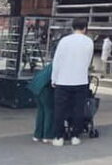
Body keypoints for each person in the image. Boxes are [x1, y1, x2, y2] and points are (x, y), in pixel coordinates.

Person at [51, 18, 94, 147]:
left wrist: (54, 78)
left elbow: (57, 61)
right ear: (85, 28)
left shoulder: (64, 41)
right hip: (80, 80)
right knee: (78, 109)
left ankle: (59, 137)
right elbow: (88, 61)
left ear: (72, 27)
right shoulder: (89, 42)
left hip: (63, 80)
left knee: (60, 109)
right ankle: (75, 136)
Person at [28, 62, 54, 143]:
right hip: (45, 88)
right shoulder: (61, 66)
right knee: (49, 111)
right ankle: (47, 136)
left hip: (35, 86)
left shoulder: (51, 65)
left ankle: (37, 135)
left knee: (41, 111)